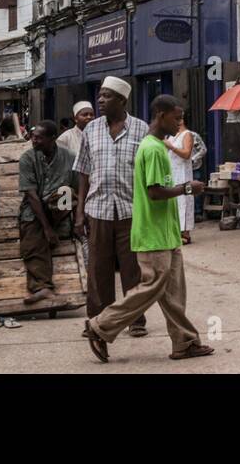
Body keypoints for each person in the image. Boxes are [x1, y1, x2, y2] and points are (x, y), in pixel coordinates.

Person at [85, 95, 214, 363]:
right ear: (160, 115)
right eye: (176, 118)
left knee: (173, 292)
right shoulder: (153, 149)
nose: (179, 124)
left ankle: (184, 342)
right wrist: (189, 188)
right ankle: (101, 326)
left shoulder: (157, 146)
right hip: (153, 234)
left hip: (166, 233)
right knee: (152, 287)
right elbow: (155, 192)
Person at [74, 77, 151, 338]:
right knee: (98, 269)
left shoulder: (142, 130)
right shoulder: (91, 130)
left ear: (122, 100)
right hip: (98, 210)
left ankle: (135, 319)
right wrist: (79, 212)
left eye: (107, 96)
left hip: (132, 210)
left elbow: (148, 173)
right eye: (100, 96)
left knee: (132, 269)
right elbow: (83, 173)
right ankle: (98, 321)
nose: (101, 100)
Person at [18, 120, 77, 305]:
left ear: (52, 139)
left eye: (39, 138)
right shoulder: (28, 158)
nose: (34, 141)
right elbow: (31, 195)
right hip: (36, 209)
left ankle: (59, 225)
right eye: (33, 137)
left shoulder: (69, 157)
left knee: (64, 192)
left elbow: (79, 187)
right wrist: (46, 228)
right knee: (32, 235)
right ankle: (43, 287)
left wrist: (79, 219)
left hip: (62, 207)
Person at [164, 126, 196, 244]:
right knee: (175, 201)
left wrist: (171, 147)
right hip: (173, 172)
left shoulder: (187, 134)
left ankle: (185, 232)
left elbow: (187, 154)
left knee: (185, 200)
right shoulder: (172, 135)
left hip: (183, 173)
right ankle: (175, 231)